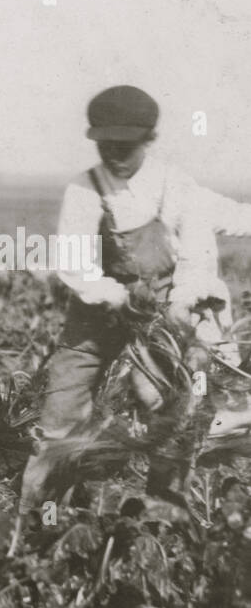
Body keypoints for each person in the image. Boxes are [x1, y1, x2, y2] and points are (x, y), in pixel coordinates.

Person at [20, 85, 251, 518]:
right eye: (106, 144)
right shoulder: (84, 189)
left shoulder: (175, 185)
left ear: (148, 140)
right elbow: (74, 267)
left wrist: (178, 308)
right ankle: (40, 516)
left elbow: (204, 250)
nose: (115, 154)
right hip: (95, 313)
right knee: (61, 412)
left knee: (177, 415)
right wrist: (119, 298)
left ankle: (164, 512)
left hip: (165, 315)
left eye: (126, 145)